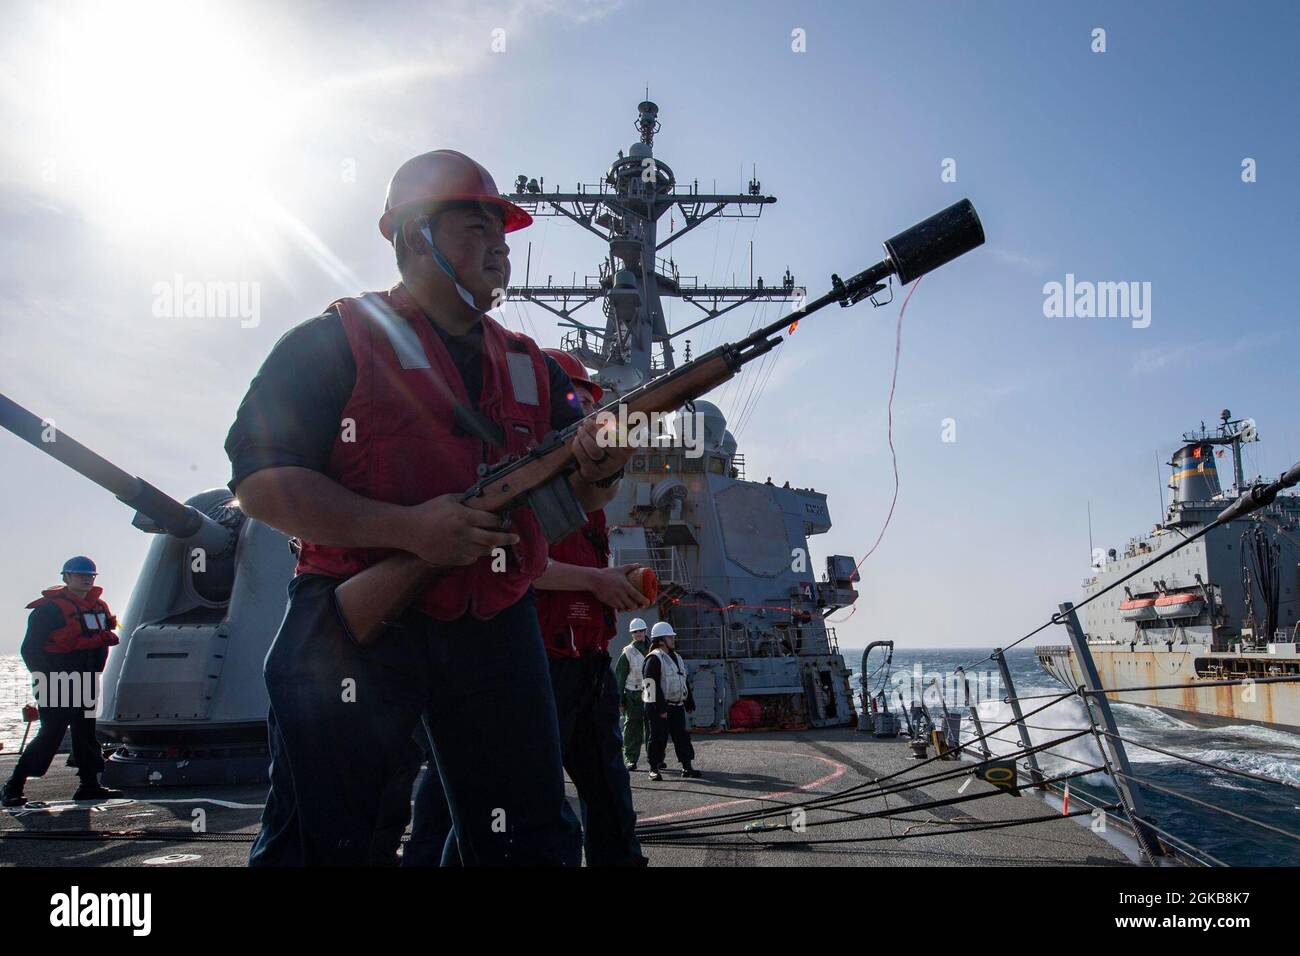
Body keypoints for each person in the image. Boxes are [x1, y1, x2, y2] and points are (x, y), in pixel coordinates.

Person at [225, 149, 633, 866]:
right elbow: (261, 482)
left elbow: (580, 497)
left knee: (530, 842)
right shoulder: (332, 343)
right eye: (476, 230)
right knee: (325, 843)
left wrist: (605, 468)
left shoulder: (535, 366)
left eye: (503, 236)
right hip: (353, 628)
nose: (500, 250)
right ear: (415, 237)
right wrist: (408, 530)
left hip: (494, 625)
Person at [404, 351, 649, 867]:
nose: (585, 411)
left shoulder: (585, 494)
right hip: (535, 662)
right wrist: (596, 581)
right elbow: (515, 562)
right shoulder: (518, 481)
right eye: (576, 400)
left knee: (609, 803)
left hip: (588, 665)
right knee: (498, 805)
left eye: (590, 404)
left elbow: (581, 553)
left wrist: (610, 580)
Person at [2, 557, 123, 807]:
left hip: (86, 679)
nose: (87, 579)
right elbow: (30, 649)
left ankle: (89, 785)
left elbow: (101, 640)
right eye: (80, 575)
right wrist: (44, 678)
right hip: (56, 679)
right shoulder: (49, 610)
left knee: (86, 733)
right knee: (51, 733)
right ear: (66, 577)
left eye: (90, 575)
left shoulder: (98, 607)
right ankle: (14, 785)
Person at [642, 621, 700, 781]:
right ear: (661, 640)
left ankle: (687, 766)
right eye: (670, 637)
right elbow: (649, 684)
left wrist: (688, 700)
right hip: (659, 707)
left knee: (681, 736)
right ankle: (654, 768)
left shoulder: (677, 657)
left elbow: (683, 679)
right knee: (658, 737)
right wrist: (660, 709)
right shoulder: (653, 659)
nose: (673, 639)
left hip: (677, 705)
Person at [614, 618, 650, 771]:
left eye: (641, 631)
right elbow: (620, 676)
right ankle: (631, 758)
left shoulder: (654, 648)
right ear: (632, 634)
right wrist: (620, 698)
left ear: (645, 631)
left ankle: (654, 758)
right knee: (632, 726)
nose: (639, 634)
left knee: (652, 725)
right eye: (635, 631)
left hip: (650, 689)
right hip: (632, 692)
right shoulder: (627, 652)